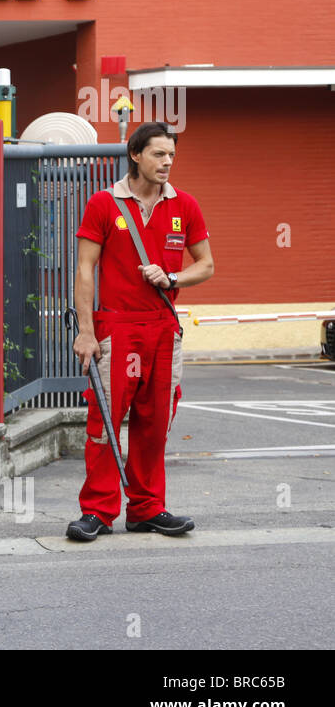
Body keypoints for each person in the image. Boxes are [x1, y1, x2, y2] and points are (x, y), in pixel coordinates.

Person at [69, 121, 214, 541]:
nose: (167, 162)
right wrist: (85, 331)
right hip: (116, 327)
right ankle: (97, 512)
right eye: (158, 154)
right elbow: (84, 269)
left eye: (171, 155)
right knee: (105, 422)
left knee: (155, 422)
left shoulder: (184, 205)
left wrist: (172, 277)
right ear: (136, 155)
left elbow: (206, 265)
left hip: (164, 330)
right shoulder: (104, 203)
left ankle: (147, 508)